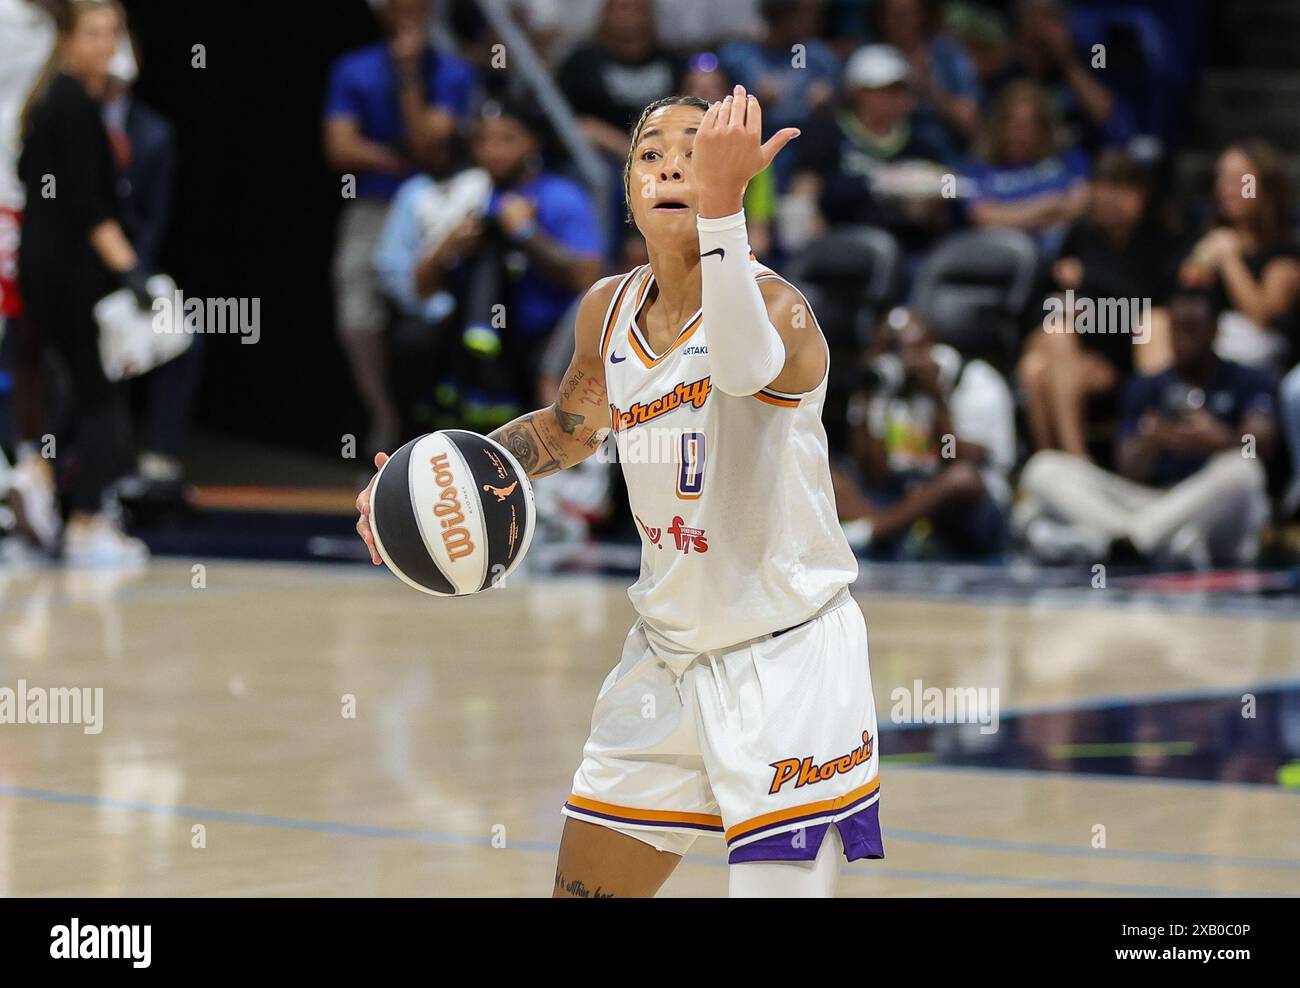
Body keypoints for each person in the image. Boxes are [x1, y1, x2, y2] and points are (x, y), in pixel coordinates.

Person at [356, 88, 882, 897]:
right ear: (631, 192)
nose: (671, 162)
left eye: (695, 147)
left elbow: (741, 367)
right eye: (649, 152)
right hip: (667, 657)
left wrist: (723, 214)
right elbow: (569, 429)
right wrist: (428, 482)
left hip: (791, 662)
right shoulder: (606, 310)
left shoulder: (779, 308)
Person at [17, 0, 150, 563]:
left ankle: (39, 476)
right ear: (69, 39)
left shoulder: (59, 102)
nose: (104, 45)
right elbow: (89, 206)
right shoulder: (71, 106)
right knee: (101, 396)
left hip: (47, 268)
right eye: (92, 33)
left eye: (112, 33)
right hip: (72, 274)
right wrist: (131, 272)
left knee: (77, 387)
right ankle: (88, 522)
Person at [380, 97, 604, 424]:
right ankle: (409, 444)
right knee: (413, 340)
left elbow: (589, 277)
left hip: (543, 337)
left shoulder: (561, 195)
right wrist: (449, 245)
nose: (493, 151)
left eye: (506, 139)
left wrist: (526, 233)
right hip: (477, 334)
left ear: (532, 142)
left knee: (553, 362)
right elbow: (421, 288)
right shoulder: (469, 193)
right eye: (483, 141)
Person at [1018, 289, 1276, 569]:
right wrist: (1151, 442)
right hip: (1149, 501)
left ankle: (1116, 541)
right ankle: (1139, 540)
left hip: (1206, 507)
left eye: (1192, 330)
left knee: (1243, 470)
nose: (1181, 340)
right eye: (1176, 330)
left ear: (1214, 330)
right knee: (1043, 468)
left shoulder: (1248, 380)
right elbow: (1128, 468)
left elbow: (1260, 447)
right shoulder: (1146, 385)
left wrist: (1216, 438)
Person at [323, 0, 476, 455]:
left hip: (440, 200)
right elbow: (340, 150)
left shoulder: (452, 71)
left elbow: (430, 149)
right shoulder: (353, 68)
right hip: (373, 202)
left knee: (434, 314)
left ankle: (440, 424)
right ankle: (385, 417)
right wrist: (401, 156)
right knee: (355, 312)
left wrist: (409, 76)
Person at [1017, 148, 1179, 457]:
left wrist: (1089, 285)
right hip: (1080, 351)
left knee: (1042, 363)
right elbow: (1040, 304)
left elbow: (1152, 302)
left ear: (1140, 197)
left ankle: (1072, 466)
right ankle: (1070, 461)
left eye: (1118, 194)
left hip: (1133, 351)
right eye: (1101, 196)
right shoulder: (1081, 236)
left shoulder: (1161, 240)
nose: (1107, 206)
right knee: (1038, 361)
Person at [833, 307, 1015, 559]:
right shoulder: (880, 380)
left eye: (911, 349)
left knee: (962, 478)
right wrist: (869, 398)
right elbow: (873, 473)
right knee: (825, 472)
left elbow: (956, 460)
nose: (903, 360)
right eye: (893, 351)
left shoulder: (975, 380)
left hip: (963, 506)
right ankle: (880, 527)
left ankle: (875, 530)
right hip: (901, 494)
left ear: (933, 348)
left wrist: (936, 399)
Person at [787, 43, 950, 256]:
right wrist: (822, 245)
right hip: (838, 248)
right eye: (881, 91)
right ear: (857, 93)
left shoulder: (923, 141)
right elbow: (803, 195)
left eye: (898, 90)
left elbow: (940, 210)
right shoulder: (826, 136)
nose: (892, 99)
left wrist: (925, 207)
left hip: (908, 250)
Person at [1179, 140, 1300, 374]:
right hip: (1206, 346)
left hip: (1259, 358)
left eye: (1239, 179)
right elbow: (1184, 293)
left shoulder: (1285, 253)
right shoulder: (1211, 238)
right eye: (1222, 178)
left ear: (1265, 185)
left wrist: (1228, 259)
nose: (1226, 188)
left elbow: (1262, 319)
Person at [963, 78, 1088, 257]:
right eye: (1010, 125)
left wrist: (1010, 215)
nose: (1017, 135)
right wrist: (1050, 204)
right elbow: (983, 217)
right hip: (1004, 260)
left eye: (1026, 127)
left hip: (1063, 258)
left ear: (1043, 129)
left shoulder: (1070, 161)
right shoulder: (978, 171)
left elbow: (1078, 206)